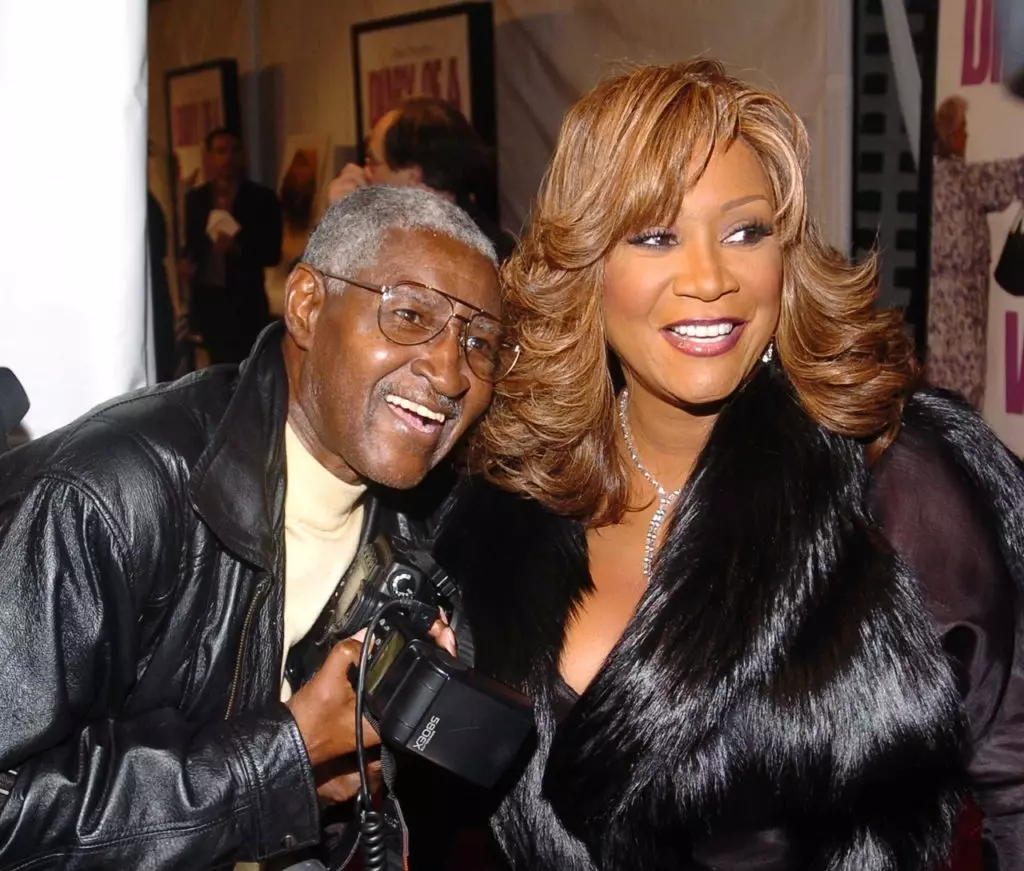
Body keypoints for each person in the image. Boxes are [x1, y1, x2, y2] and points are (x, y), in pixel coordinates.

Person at [435, 60, 1024, 869]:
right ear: (585, 267)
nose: (711, 279)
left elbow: (1018, 788)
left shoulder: (896, 482)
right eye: (655, 236)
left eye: (746, 231)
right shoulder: (512, 504)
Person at [0, 185, 516, 869]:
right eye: (410, 314)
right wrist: (286, 752)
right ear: (306, 305)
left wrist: (326, 784)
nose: (450, 371)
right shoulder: (111, 495)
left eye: (479, 342)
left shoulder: (425, 520)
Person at [328, 97, 515, 261]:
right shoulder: (495, 249)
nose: (363, 172)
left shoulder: (414, 255)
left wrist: (336, 226)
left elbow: (310, 294)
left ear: (412, 178)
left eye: (373, 162)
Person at [928, 95, 1024, 409]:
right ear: (952, 135)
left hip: (928, 332)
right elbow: (1015, 175)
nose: (967, 135)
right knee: (963, 416)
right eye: (964, 128)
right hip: (965, 334)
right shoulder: (968, 182)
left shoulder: (925, 185)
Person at [181, 127, 283, 365]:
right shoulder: (196, 200)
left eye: (234, 151)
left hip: (246, 301)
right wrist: (186, 263)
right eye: (220, 151)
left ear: (243, 155)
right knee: (217, 371)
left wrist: (238, 248)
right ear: (208, 157)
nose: (228, 158)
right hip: (209, 301)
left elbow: (271, 253)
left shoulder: (261, 199)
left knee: (248, 367)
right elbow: (192, 245)